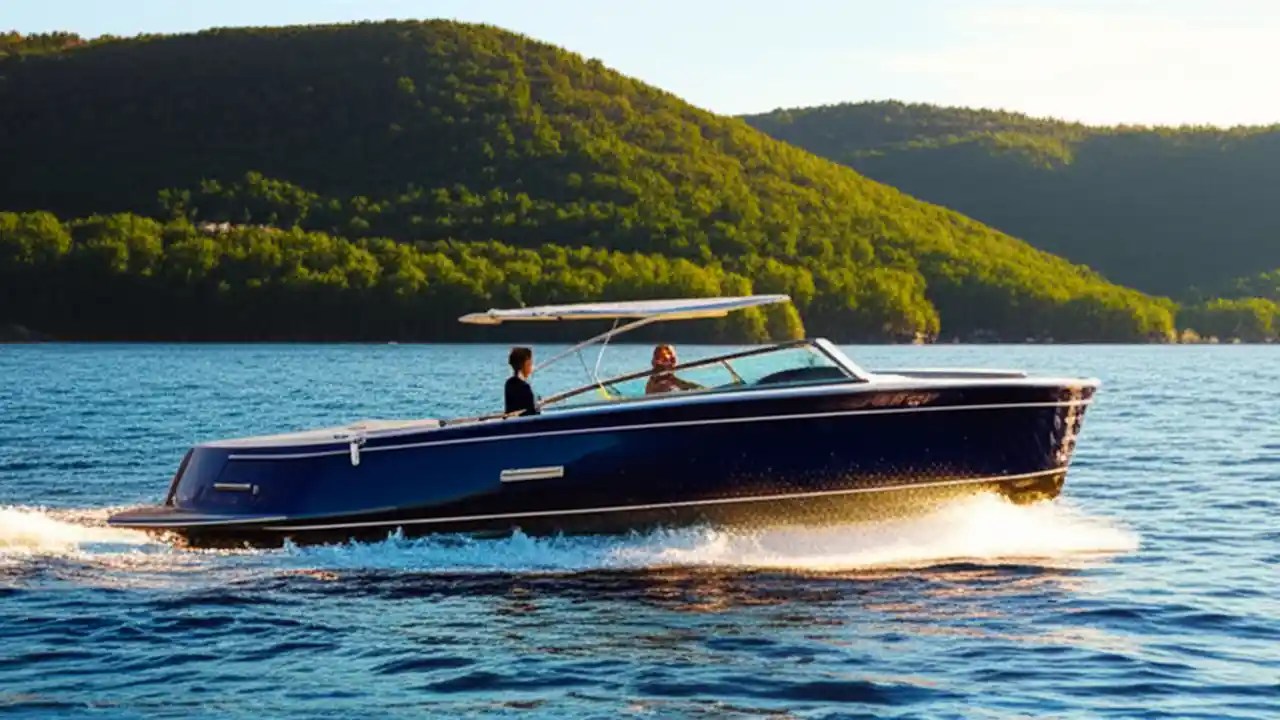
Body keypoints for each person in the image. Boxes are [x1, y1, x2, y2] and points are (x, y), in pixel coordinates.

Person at [504, 346, 539, 416]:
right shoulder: (524, 387)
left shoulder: (508, 383)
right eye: (530, 363)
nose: (532, 365)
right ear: (526, 363)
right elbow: (531, 413)